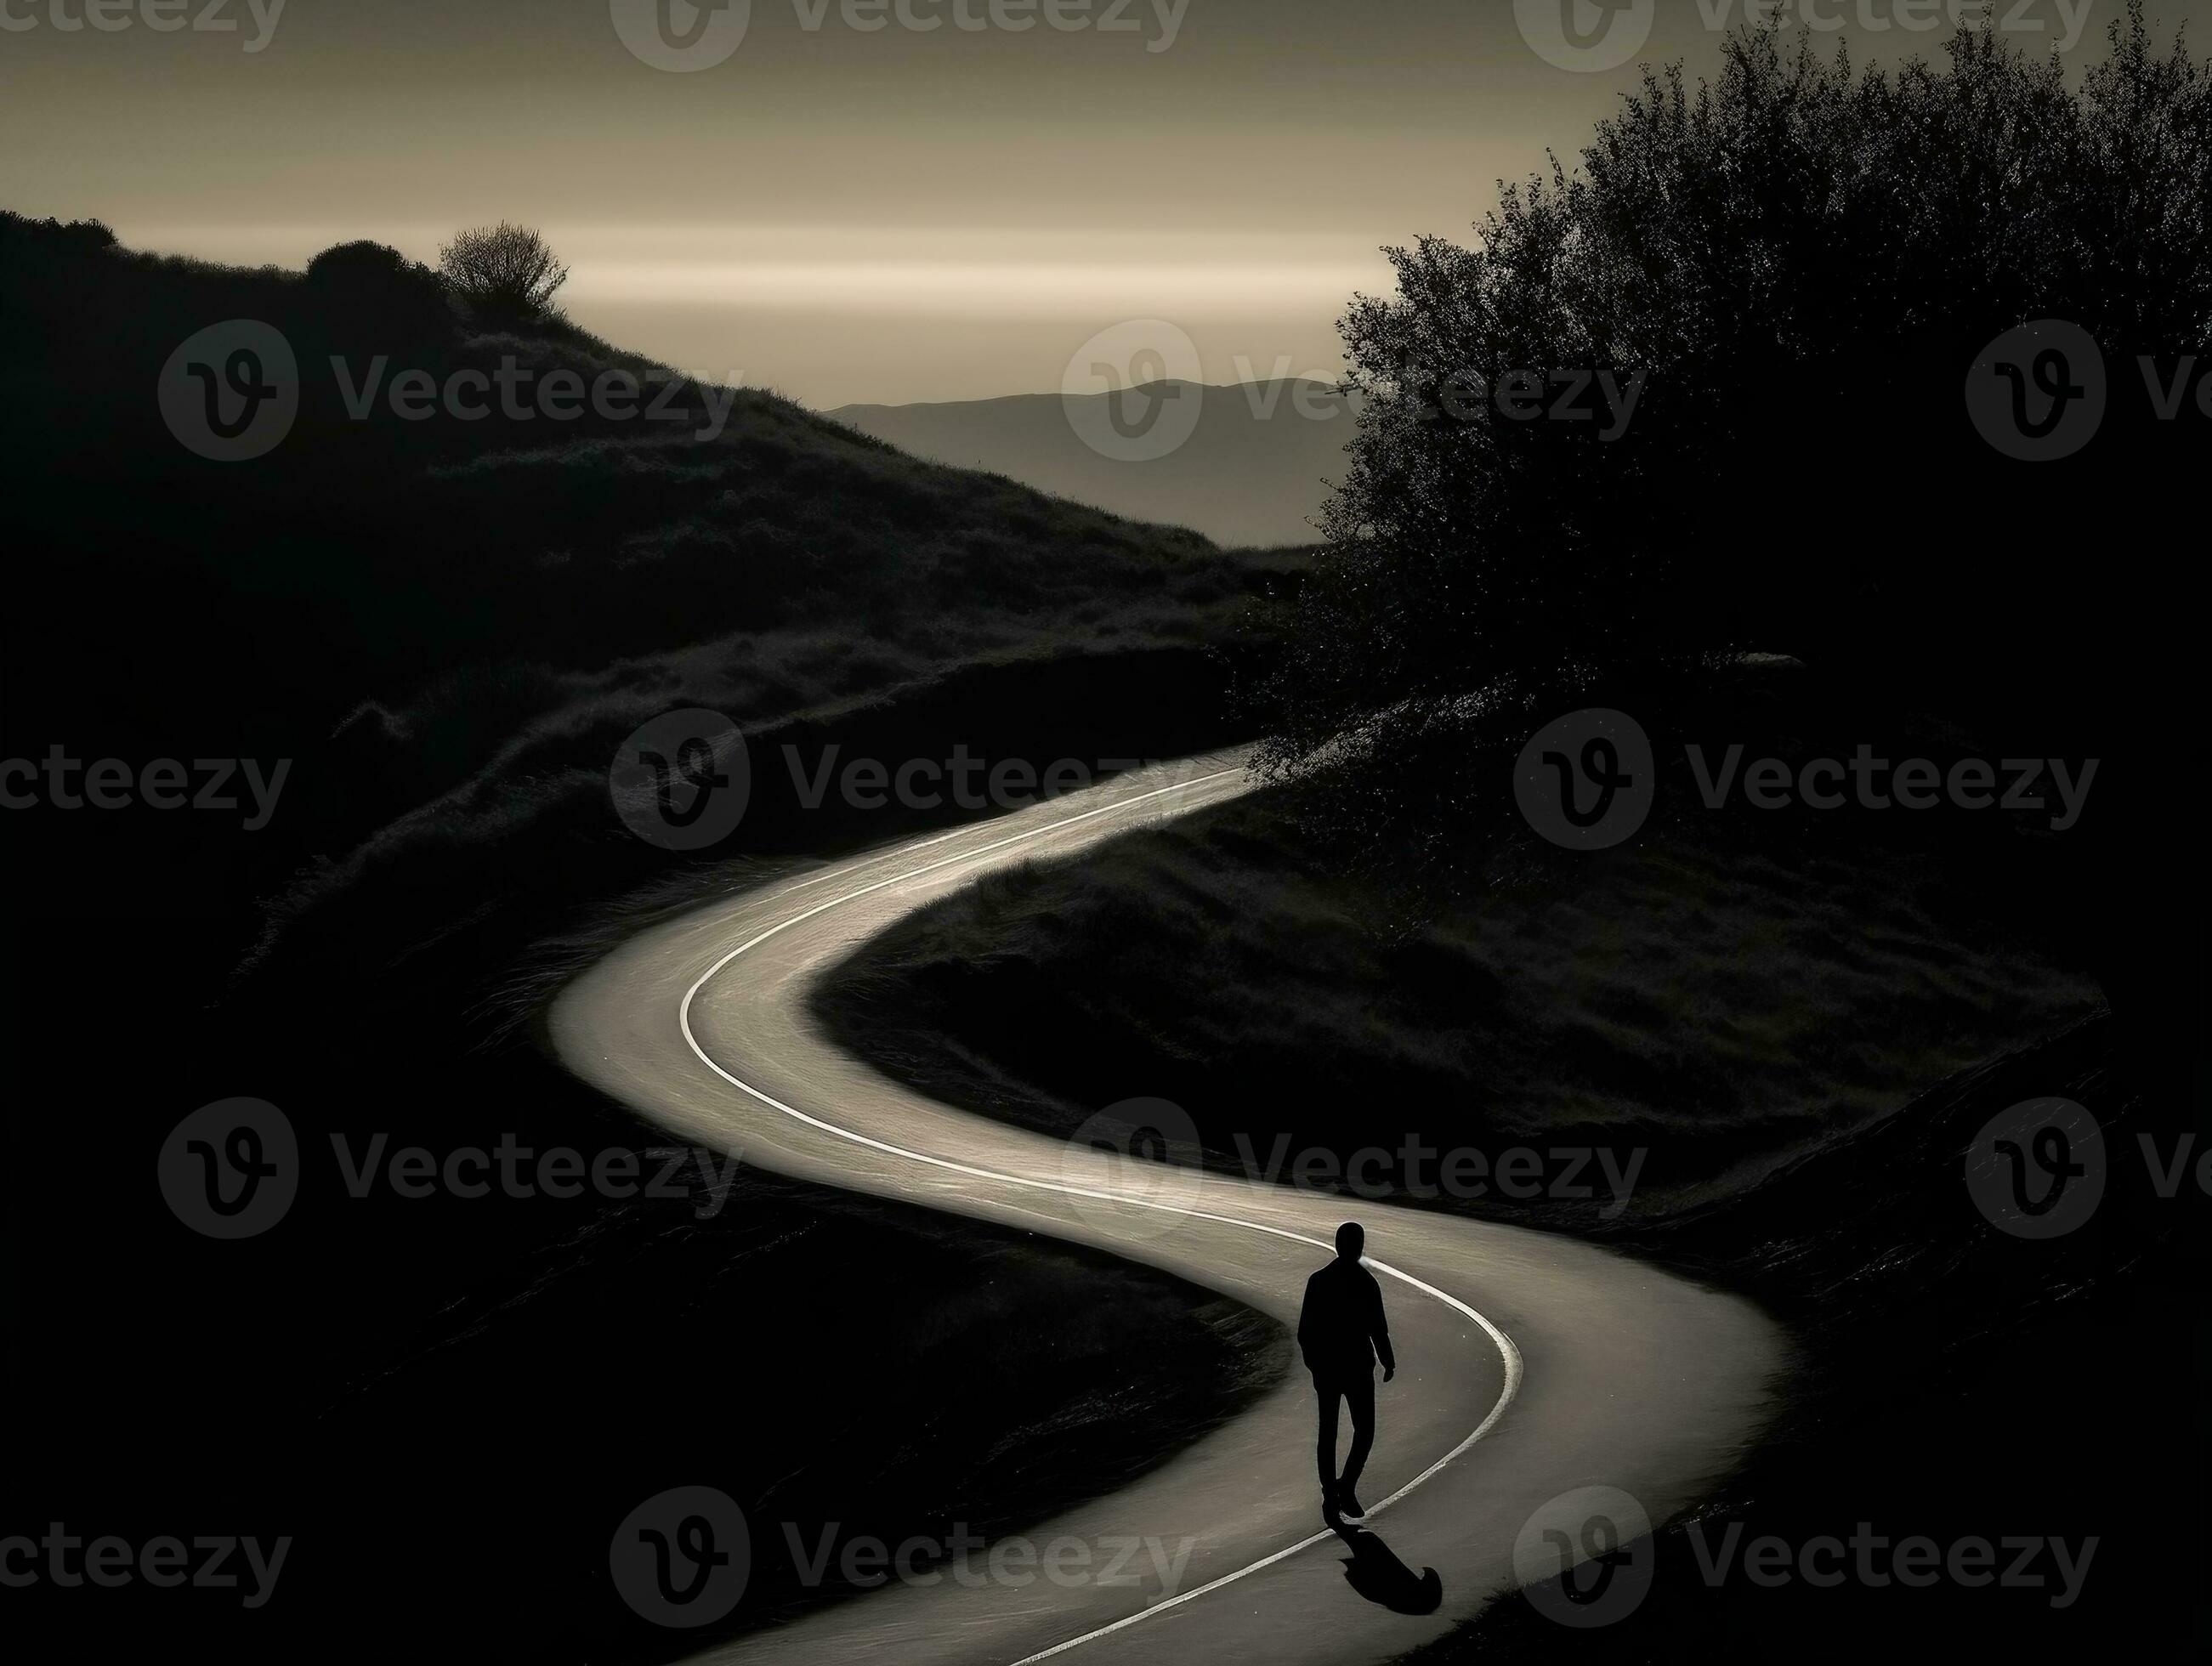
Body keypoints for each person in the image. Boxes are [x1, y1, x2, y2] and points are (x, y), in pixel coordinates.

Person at [1297, 1221, 1395, 1523]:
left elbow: (1305, 1331)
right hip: (1356, 1367)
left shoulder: (1319, 1280)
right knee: (1364, 1430)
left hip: (1328, 1368)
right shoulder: (1366, 1283)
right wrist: (1387, 1360)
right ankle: (1346, 1487)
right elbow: (1378, 1328)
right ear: (1358, 1246)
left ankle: (1333, 1492)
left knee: (1329, 1432)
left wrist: (1314, 1364)